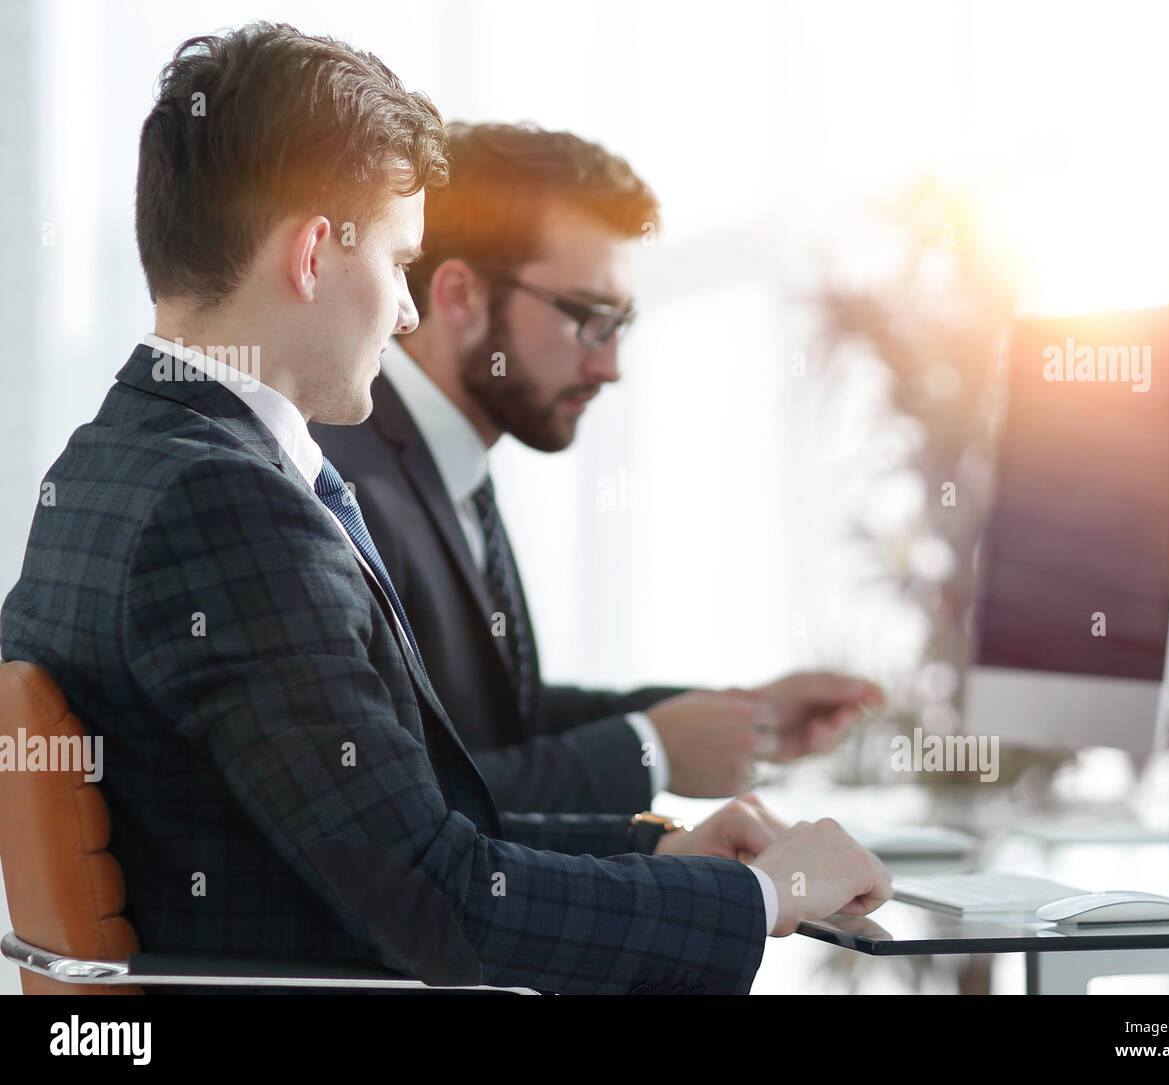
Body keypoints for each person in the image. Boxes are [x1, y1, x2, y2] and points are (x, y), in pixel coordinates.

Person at [0, 22, 890, 995]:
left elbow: (391, 824)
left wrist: (655, 851)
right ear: (312, 257)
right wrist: (763, 898)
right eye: (398, 262)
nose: (409, 315)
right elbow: (440, 898)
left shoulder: (108, 459)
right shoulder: (228, 505)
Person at [312, 122, 877, 814]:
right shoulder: (345, 487)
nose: (610, 366)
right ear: (460, 296)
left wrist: (740, 716)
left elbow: (496, 719)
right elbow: (413, 800)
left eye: (622, 325)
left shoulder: (445, 464)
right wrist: (652, 748)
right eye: (589, 317)